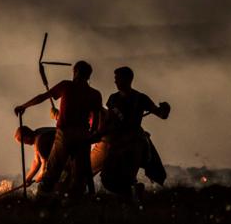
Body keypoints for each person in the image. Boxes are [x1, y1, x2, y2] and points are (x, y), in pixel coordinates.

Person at [14, 60, 102, 196]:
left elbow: (42, 97)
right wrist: (91, 134)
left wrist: (23, 106)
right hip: (83, 135)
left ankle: (41, 200)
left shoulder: (67, 86)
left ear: (76, 72)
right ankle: (76, 203)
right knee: (79, 175)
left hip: (65, 134)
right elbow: (96, 118)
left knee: (53, 171)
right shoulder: (95, 94)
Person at [100, 66, 170, 198]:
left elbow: (161, 114)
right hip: (116, 143)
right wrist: (100, 133)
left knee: (127, 176)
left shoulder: (140, 98)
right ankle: (132, 192)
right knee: (107, 178)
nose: (115, 82)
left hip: (133, 143)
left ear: (127, 80)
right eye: (115, 79)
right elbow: (107, 119)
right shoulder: (113, 98)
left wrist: (165, 110)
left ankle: (131, 196)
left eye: (117, 79)